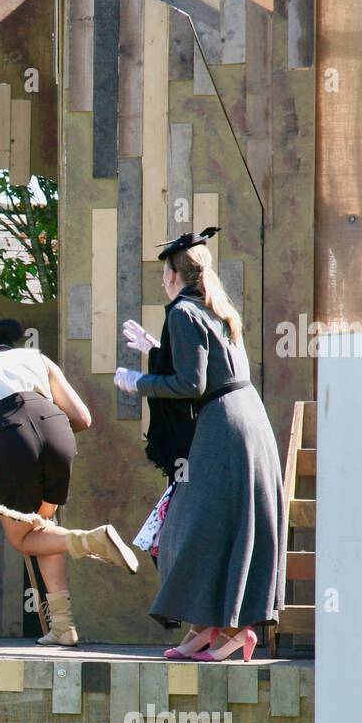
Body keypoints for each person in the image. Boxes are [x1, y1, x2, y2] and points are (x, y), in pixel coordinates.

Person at [113, 229, 286, 662]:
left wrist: (140, 382)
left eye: (163, 274)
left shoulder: (182, 312)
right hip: (246, 419)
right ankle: (207, 626)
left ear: (174, 275)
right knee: (217, 525)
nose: (162, 282)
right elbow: (209, 365)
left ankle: (231, 630)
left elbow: (192, 382)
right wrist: (157, 350)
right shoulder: (215, 308)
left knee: (191, 528)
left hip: (224, 428)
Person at [0, 318, 138, 646]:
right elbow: (83, 417)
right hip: (56, 429)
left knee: (24, 539)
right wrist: (47, 431)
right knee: (43, 528)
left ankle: (90, 541)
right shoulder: (38, 358)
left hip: (10, 438)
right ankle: (63, 625)